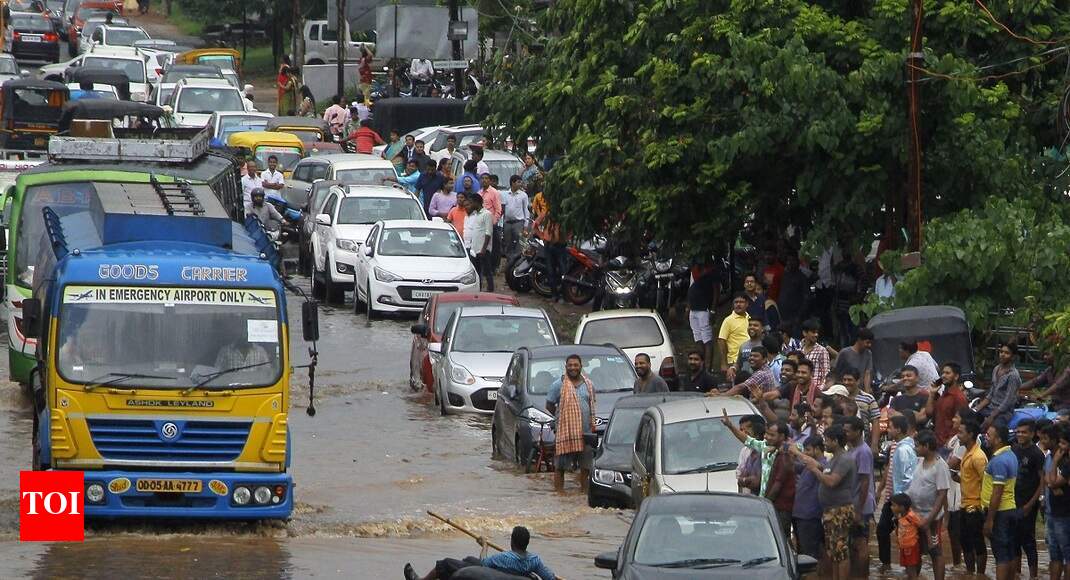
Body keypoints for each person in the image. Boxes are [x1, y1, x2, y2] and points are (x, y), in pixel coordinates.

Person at [790, 424, 856, 580]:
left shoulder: (844, 459)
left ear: (836, 441)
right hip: (830, 510)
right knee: (834, 552)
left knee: (841, 551)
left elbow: (831, 481)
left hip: (840, 510)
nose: (825, 444)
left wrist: (814, 469)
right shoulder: (834, 459)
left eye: (827, 440)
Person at [723, 410, 795, 536]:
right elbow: (747, 440)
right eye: (767, 434)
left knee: (780, 539)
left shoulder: (787, 453)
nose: (767, 437)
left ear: (782, 436)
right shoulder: (765, 446)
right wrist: (730, 426)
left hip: (778, 508)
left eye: (772, 435)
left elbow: (777, 485)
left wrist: (766, 504)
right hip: (766, 505)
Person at [403, 526, 555, 580]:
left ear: (512, 542)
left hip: (490, 573)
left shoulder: (505, 558)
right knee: (469, 559)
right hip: (506, 574)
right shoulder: (534, 560)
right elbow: (550, 577)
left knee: (446, 563)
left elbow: (483, 563)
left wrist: (484, 546)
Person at [546, 354, 595, 493]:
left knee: (586, 467)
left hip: (585, 433)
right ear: (566, 367)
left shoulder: (589, 385)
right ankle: (559, 494)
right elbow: (549, 405)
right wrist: (562, 418)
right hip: (565, 433)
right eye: (570, 365)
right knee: (560, 467)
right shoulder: (558, 385)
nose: (573, 368)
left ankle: (583, 495)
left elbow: (592, 404)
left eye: (576, 365)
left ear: (581, 366)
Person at [905, 429, 950, 580]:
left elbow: (942, 495)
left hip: (931, 518)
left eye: (918, 445)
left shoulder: (940, 466)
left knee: (935, 551)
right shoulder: (920, 461)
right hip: (914, 515)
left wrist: (929, 519)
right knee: (914, 550)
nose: (915, 448)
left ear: (927, 446)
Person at [877, 414, 918, 570]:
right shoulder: (897, 446)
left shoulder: (904, 449)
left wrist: (899, 503)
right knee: (890, 531)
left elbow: (907, 478)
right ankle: (889, 565)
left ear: (899, 430)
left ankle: (908, 569)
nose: (887, 430)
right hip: (894, 499)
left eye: (890, 427)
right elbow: (891, 470)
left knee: (904, 534)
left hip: (899, 501)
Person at [983, 419, 1020, 580]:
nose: (986, 437)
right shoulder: (1010, 455)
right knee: (1009, 552)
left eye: (989, 435)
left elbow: (997, 492)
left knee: (1001, 555)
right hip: (1009, 509)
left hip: (1000, 513)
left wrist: (989, 520)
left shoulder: (999, 461)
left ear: (998, 439)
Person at [841, 415, 875, 576]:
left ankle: (863, 576)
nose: (845, 434)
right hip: (852, 504)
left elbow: (865, 481)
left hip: (861, 505)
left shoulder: (863, 452)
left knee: (861, 543)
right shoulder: (852, 449)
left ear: (859, 432)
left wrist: (858, 510)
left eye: (848, 431)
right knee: (853, 543)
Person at [1012, 419, 1044, 580]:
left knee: (1029, 541)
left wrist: (1031, 504)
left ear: (1032, 434)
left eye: (1024, 432)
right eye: (1018, 432)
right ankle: (1017, 573)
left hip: (1028, 503)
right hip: (1013, 502)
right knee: (1014, 540)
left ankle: (1033, 576)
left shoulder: (1036, 454)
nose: (1020, 435)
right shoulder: (1014, 449)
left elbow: (1042, 481)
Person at [958, 417, 989, 576]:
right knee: (965, 542)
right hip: (964, 504)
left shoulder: (978, 457)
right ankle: (970, 573)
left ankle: (980, 575)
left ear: (970, 435)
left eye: (961, 432)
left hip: (975, 506)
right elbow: (971, 479)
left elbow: (986, 483)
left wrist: (984, 508)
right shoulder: (967, 452)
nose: (958, 436)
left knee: (977, 542)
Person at [793, 434, 826, 561]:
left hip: (810, 516)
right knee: (802, 551)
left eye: (808, 450)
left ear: (817, 449)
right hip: (800, 514)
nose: (805, 453)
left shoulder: (822, 464)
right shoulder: (808, 464)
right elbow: (795, 466)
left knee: (809, 555)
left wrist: (797, 452)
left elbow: (818, 466)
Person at [977, 342, 1022, 433]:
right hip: (990, 408)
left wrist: (991, 417)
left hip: (1004, 413)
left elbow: (1007, 401)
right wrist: (976, 408)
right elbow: (991, 394)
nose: (1002, 355)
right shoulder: (996, 369)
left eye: (1007, 353)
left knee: (993, 430)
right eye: (1001, 352)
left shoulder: (1013, 375)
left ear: (1013, 357)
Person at [1046, 423, 1070, 580]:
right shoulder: (1065, 462)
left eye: (1063, 443)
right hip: (1056, 512)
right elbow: (1050, 481)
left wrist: (1055, 461)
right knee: (1055, 553)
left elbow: (1053, 482)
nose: (1060, 446)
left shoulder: (1066, 464)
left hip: (1064, 514)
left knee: (1067, 554)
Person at [927, 362, 968, 448]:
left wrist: (950, 441)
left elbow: (961, 422)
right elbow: (929, 413)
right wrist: (932, 394)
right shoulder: (942, 396)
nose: (943, 376)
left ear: (956, 376)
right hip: (937, 442)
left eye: (947, 373)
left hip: (948, 445)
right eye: (943, 373)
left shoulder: (959, 397)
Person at [462, 193, 493, 292]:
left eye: (471, 203)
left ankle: (490, 289)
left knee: (487, 270)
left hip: (483, 249)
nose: (470, 205)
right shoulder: (476, 215)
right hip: (474, 248)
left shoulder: (487, 214)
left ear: (477, 202)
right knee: (476, 271)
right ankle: (478, 289)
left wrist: (484, 248)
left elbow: (488, 232)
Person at [890, 493, 925, 579]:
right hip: (904, 546)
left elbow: (922, 526)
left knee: (911, 567)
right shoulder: (899, 515)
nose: (891, 507)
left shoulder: (911, 516)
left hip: (911, 546)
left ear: (902, 507)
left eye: (894, 505)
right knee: (907, 566)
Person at [718, 294, 750, 382]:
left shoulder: (750, 319)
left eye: (741, 302)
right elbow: (721, 340)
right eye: (736, 302)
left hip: (750, 359)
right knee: (735, 386)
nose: (738, 304)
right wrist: (723, 363)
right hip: (734, 361)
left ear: (747, 304)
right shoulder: (728, 320)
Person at [477, 173, 503, 272]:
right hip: (481, 224)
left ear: (489, 180)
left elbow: (498, 209)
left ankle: (493, 267)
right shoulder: (479, 193)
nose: (484, 180)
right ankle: (483, 267)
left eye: (486, 178)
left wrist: (494, 222)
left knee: (494, 246)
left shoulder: (494, 192)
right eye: (482, 178)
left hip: (491, 223)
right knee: (482, 245)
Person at [500, 176, 529, 262]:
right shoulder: (505, 194)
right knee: (507, 243)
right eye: (518, 182)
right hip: (507, 223)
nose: (520, 184)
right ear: (512, 183)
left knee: (519, 243)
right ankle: (510, 262)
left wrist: (526, 225)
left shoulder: (523, 195)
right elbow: (503, 209)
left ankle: (518, 261)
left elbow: (526, 210)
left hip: (518, 222)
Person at [800, 318, 830, 392]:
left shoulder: (822, 351)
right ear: (804, 333)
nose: (816, 335)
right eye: (813, 332)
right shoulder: (799, 351)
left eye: (817, 332)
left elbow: (826, 373)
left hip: (816, 389)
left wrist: (819, 390)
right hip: (801, 389)